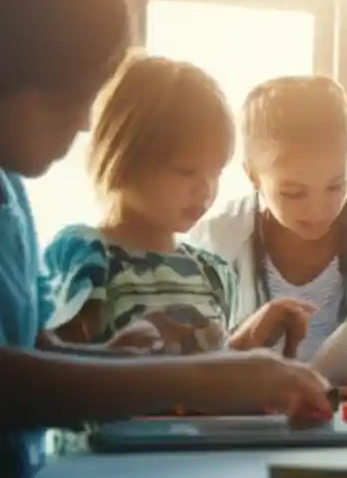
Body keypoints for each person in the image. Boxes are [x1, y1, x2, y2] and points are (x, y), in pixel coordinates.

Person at [0, 0, 330, 478]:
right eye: (68, 96)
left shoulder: (10, 194)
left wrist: (219, 368)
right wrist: (212, 377)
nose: (82, 123)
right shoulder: (82, 246)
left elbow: (38, 354)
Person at [41, 55, 314, 358]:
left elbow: (205, 374)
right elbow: (59, 370)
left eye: (216, 172)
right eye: (186, 171)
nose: (206, 189)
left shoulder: (211, 271)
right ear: (124, 158)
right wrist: (121, 354)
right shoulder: (90, 256)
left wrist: (250, 338)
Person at [190, 76, 347, 385]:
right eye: (293, 193)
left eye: (336, 186)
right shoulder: (209, 247)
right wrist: (242, 344)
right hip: (242, 427)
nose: (318, 211)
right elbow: (189, 382)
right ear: (252, 176)